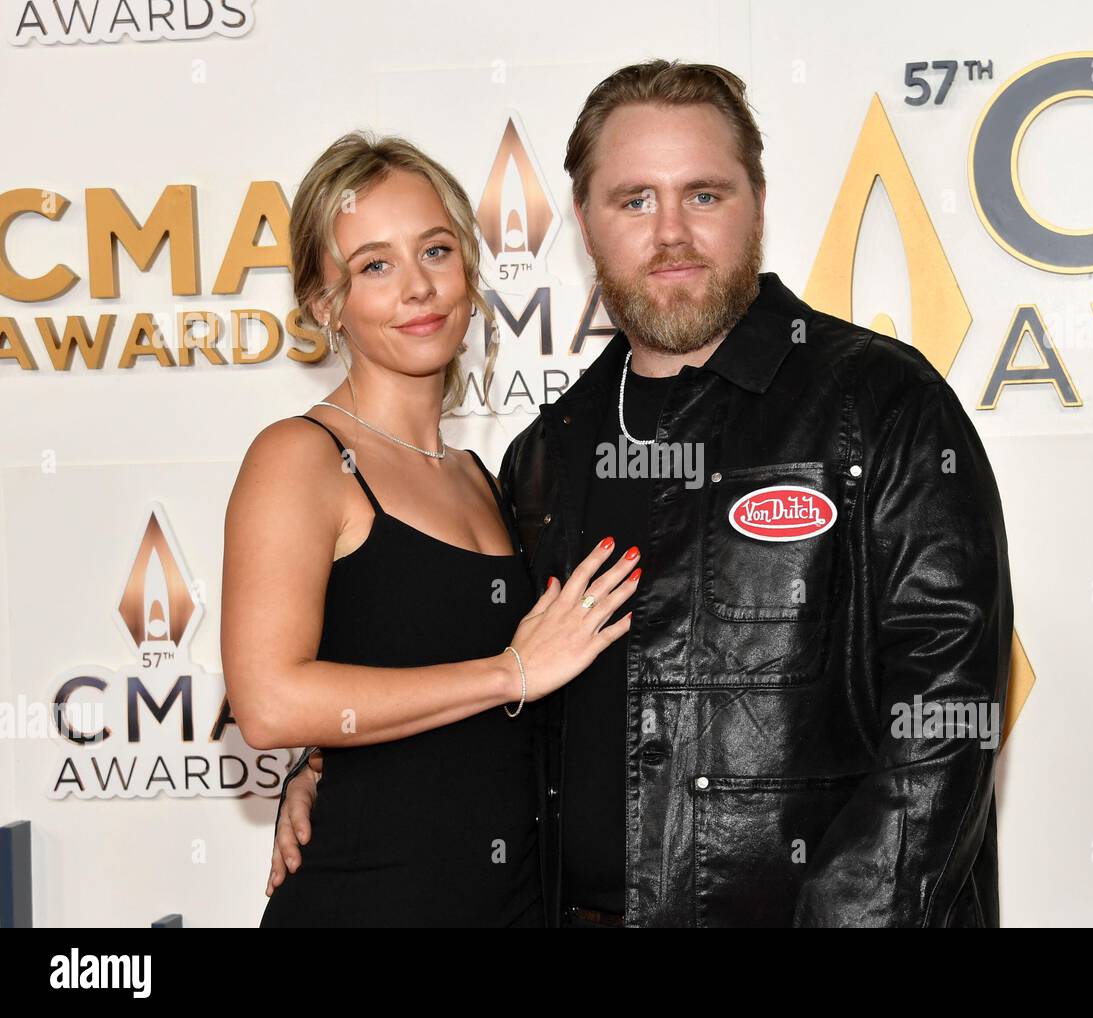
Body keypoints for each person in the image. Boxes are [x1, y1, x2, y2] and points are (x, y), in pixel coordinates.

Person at [269, 61, 1013, 928]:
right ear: (584, 222)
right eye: (634, 201)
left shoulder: (878, 406)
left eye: (703, 195)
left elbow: (944, 724)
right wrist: (333, 762)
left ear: (759, 205)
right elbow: (492, 680)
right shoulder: (547, 454)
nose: (671, 234)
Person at [222, 131, 639, 927]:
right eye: (375, 265)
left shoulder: (489, 478)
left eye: (436, 251)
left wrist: (315, 764)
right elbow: (268, 702)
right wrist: (507, 671)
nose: (417, 287)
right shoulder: (302, 458)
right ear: (325, 303)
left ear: (470, 272)